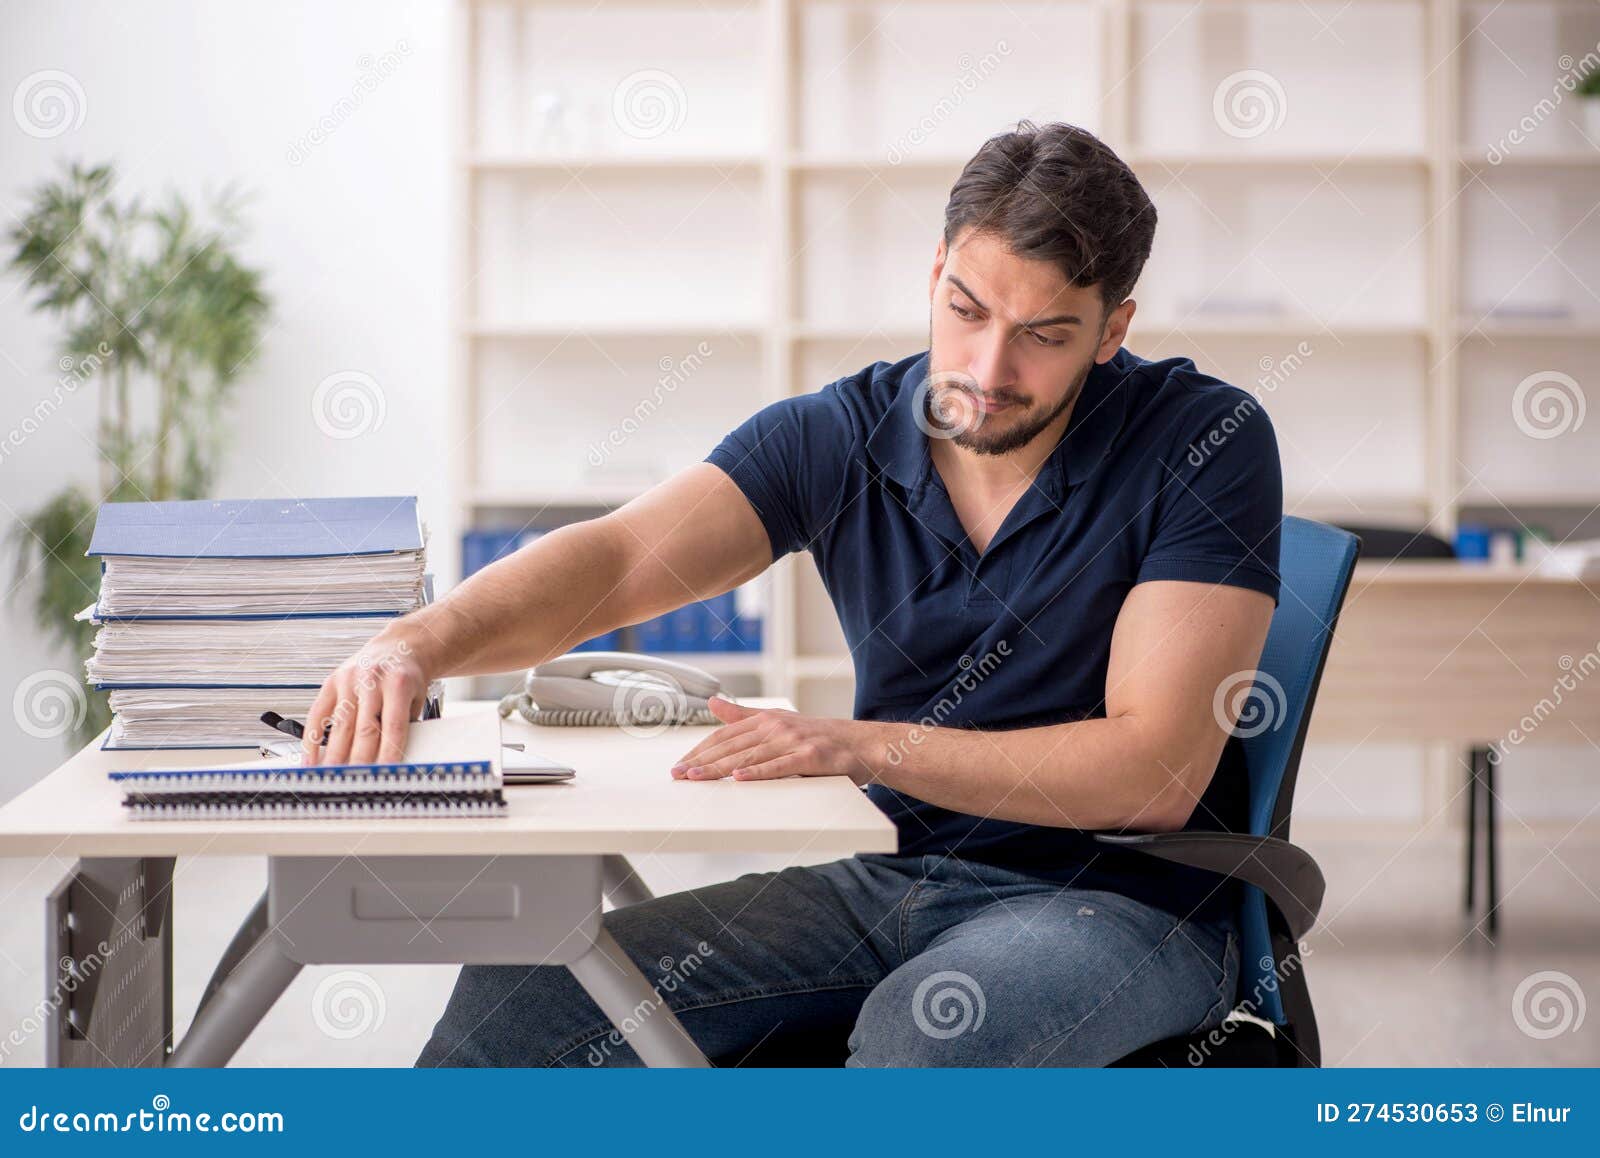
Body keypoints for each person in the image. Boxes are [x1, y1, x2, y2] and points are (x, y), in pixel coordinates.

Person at [306, 120, 1282, 1067]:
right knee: (529, 994)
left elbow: (1150, 775)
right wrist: (415, 643)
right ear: (933, 271)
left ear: (1113, 328)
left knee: (931, 1035)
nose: (986, 371)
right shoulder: (844, 434)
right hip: (892, 876)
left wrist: (858, 746)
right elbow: (613, 559)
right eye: (967, 310)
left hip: (1127, 905)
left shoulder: (1203, 442)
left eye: (1042, 334)